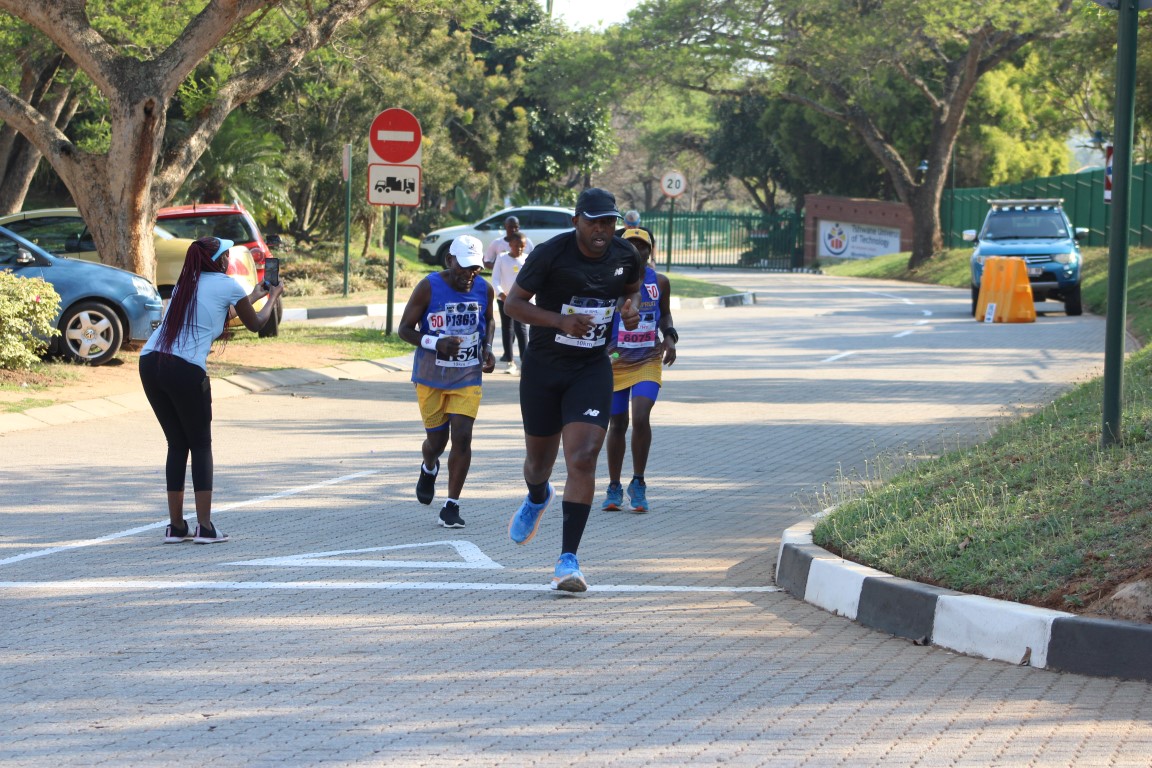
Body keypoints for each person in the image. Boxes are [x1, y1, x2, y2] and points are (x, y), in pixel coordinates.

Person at [504, 188, 642, 592]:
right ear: (576, 221)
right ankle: (536, 496)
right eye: (594, 221)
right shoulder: (550, 254)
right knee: (538, 464)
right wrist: (559, 322)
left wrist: (629, 309)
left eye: (609, 222)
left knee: (582, 457)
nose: (602, 230)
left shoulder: (624, 255)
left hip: (591, 368)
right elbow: (514, 304)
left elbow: (630, 290)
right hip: (544, 369)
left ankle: (568, 561)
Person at [139, 237, 283, 544]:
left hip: (150, 363)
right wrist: (272, 298)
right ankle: (204, 527)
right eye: (227, 255)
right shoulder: (227, 284)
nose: (229, 260)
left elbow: (210, 319)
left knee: (177, 444)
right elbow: (256, 324)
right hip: (185, 368)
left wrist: (255, 295)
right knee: (201, 444)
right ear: (218, 260)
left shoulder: (183, 286)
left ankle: (177, 527)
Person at [398, 235, 496, 529]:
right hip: (431, 376)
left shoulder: (484, 289)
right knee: (437, 442)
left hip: (467, 374)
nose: (469, 274)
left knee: (463, 436)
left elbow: (489, 320)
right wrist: (435, 343)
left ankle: (451, 505)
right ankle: (429, 466)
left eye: (475, 268)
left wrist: (488, 349)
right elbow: (404, 329)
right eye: (463, 267)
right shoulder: (429, 287)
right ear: (449, 261)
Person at [601, 227, 677, 514]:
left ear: (650, 250)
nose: (637, 250)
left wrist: (669, 336)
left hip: (648, 358)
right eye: (630, 245)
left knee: (641, 416)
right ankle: (613, 485)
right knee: (617, 424)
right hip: (616, 359)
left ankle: (639, 482)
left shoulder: (659, 281)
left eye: (642, 246)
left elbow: (665, 313)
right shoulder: (610, 281)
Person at [489, 230, 529, 374]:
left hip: (521, 300)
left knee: (521, 329)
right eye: (516, 245)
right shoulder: (502, 258)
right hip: (504, 299)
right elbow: (495, 279)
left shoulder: (526, 259)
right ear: (510, 245)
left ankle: (525, 361)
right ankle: (510, 361)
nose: (518, 249)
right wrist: (500, 293)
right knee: (508, 328)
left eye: (521, 246)